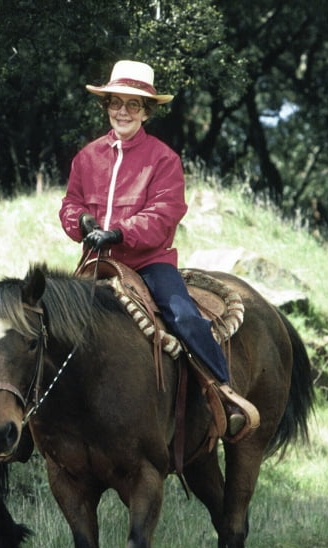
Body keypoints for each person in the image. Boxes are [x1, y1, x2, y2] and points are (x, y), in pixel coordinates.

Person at [58, 60, 259, 441]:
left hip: (150, 264)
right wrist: (81, 223)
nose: (122, 111)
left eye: (133, 105)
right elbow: (71, 202)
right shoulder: (87, 157)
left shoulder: (164, 159)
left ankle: (224, 393)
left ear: (147, 111)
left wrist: (118, 232)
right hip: (97, 264)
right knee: (50, 323)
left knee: (183, 317)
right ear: (107, 107)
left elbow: (164, 214)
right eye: (116, 103)